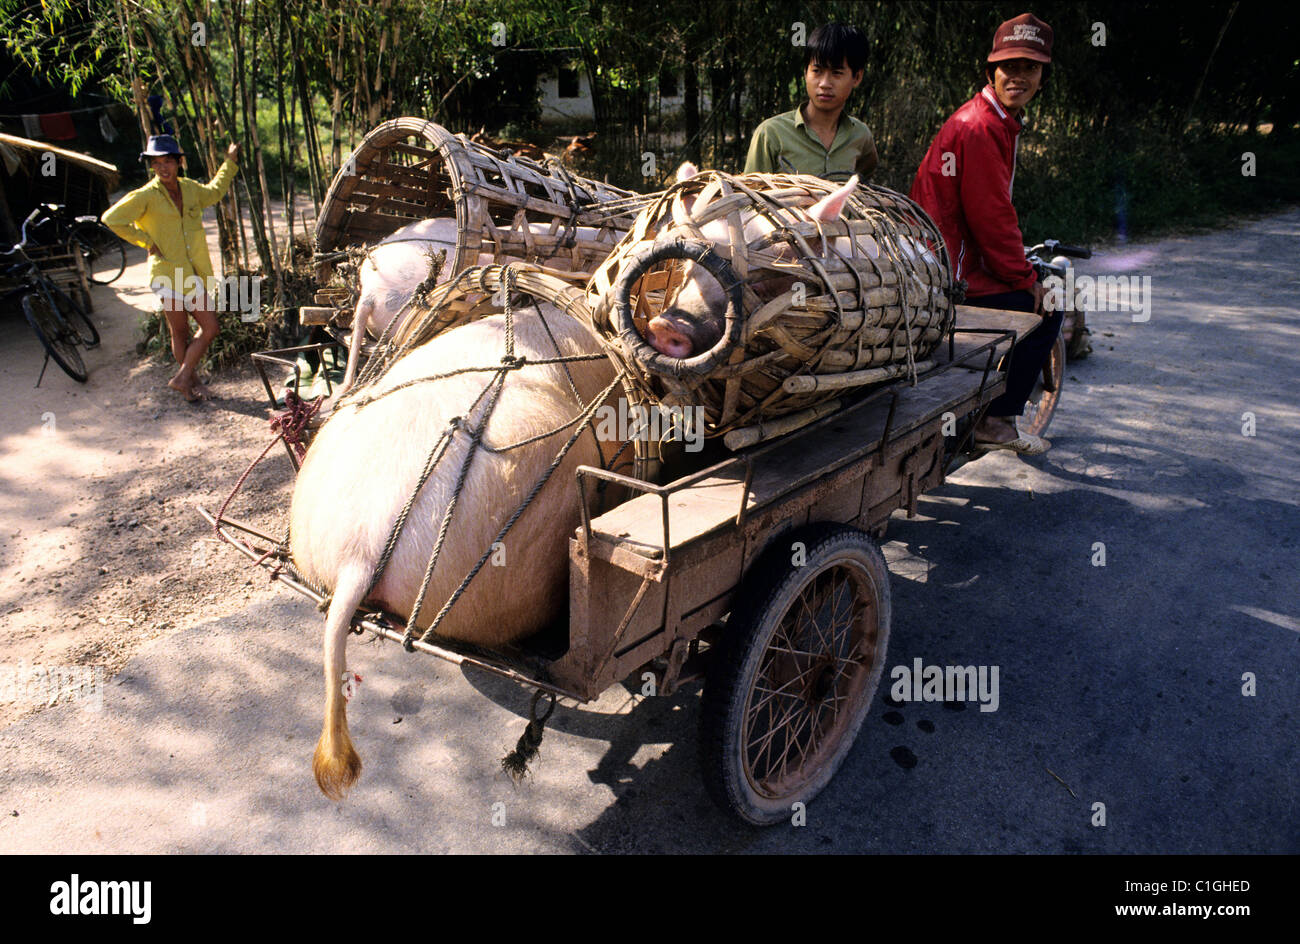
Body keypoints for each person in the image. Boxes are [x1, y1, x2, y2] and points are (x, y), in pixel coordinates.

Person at [909, 13, 1057, 454]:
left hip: (950, 256)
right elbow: (991, 217)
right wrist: (1023, 277)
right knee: (1048, 306)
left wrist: (1016, 267)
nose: (1019, 76)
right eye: (1009, 66)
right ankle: (997, 421)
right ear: (990, 71)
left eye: (1030, 67)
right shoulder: (981, 126)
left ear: (1042, 76)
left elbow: (993, 212)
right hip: (951, 269)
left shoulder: (994, 120)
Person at [102, 134, 239, 401]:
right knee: (180, 331)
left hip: (190, 272)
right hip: (165, 273)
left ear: (178, 162)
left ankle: (182, 377)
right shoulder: (145, 196)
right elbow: (111, 218)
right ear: (151, 166)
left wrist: (230, 162)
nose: (163, 168)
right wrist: (146, 241)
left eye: (168, 161)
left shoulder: (189, 189)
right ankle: (189, 384)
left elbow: (215, 191)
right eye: (156, 163)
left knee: (210, 328)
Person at [744, 23, 878, 182]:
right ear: (805, 73)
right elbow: (749, 198)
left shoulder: (860, 137)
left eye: (837, 73)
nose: (824, 83)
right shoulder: (772, 134)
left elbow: (863, 186)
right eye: (817, 71)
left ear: (857, 78)